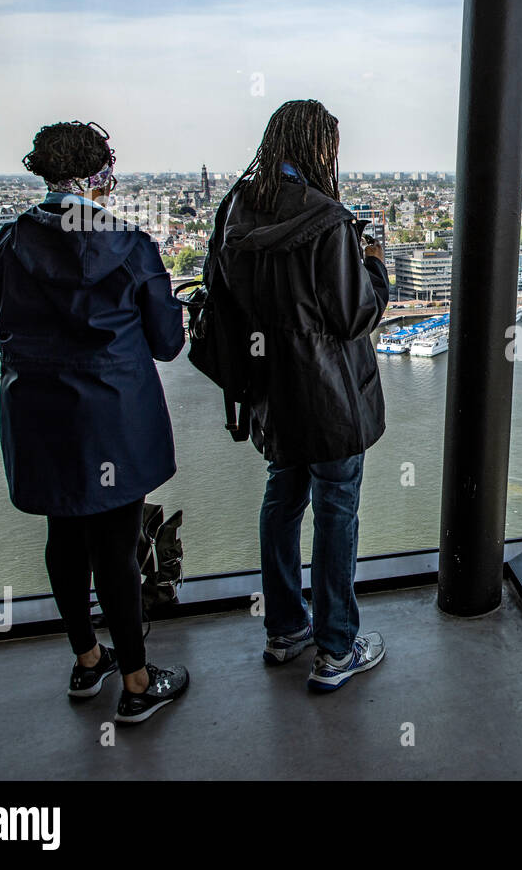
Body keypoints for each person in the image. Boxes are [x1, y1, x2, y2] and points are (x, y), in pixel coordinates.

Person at [0, 120, 190, 724]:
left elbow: (2, 330)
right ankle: (139, 683)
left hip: (41, 416)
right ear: (101, 175)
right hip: (111, 422)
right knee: (117, 552)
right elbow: (167, 342)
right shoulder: (127, 245)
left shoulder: (9, 244)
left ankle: (87, 658)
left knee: (63, 540)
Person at [217, 99, 389, 692]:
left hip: (273, 391)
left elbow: (231, 303)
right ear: (321, 148)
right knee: (336, 509)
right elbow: (353, 316)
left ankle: (285, 629)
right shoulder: (328, 220)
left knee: (282, 502)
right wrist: (375, 266)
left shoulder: (237, 210)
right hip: (331, 397)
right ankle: (336, 648)